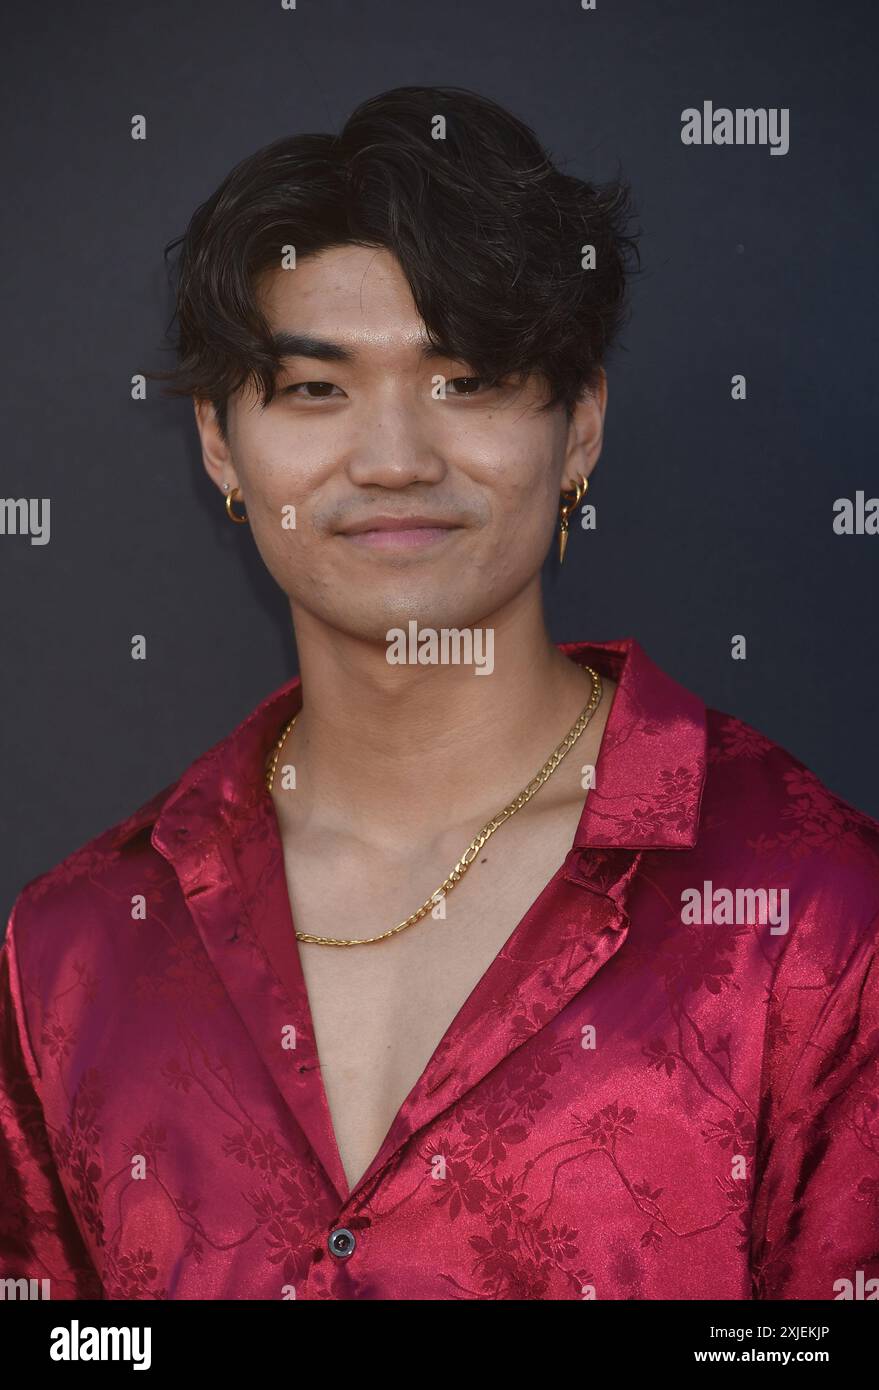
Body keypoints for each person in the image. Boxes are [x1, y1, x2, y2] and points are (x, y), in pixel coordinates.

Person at [2, 86, 877, 1303]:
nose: (397, 455)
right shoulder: (74, 949)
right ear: (219, 445)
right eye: (316, 388)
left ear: (578, 431)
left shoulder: (819, 921)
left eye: (465, 378)